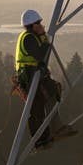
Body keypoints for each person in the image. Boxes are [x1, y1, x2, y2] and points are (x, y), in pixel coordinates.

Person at [15, 9, 77, 149]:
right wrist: (45, 39)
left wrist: (43, 38)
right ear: (32, 25)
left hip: (36, 74)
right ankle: (41, 139)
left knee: (52, 94)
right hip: (30, 76)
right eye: (38, 23)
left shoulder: (33, 36)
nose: (41, 25)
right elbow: (40, 54)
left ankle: (54, 129)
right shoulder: (28, 38)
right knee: (37, 107)